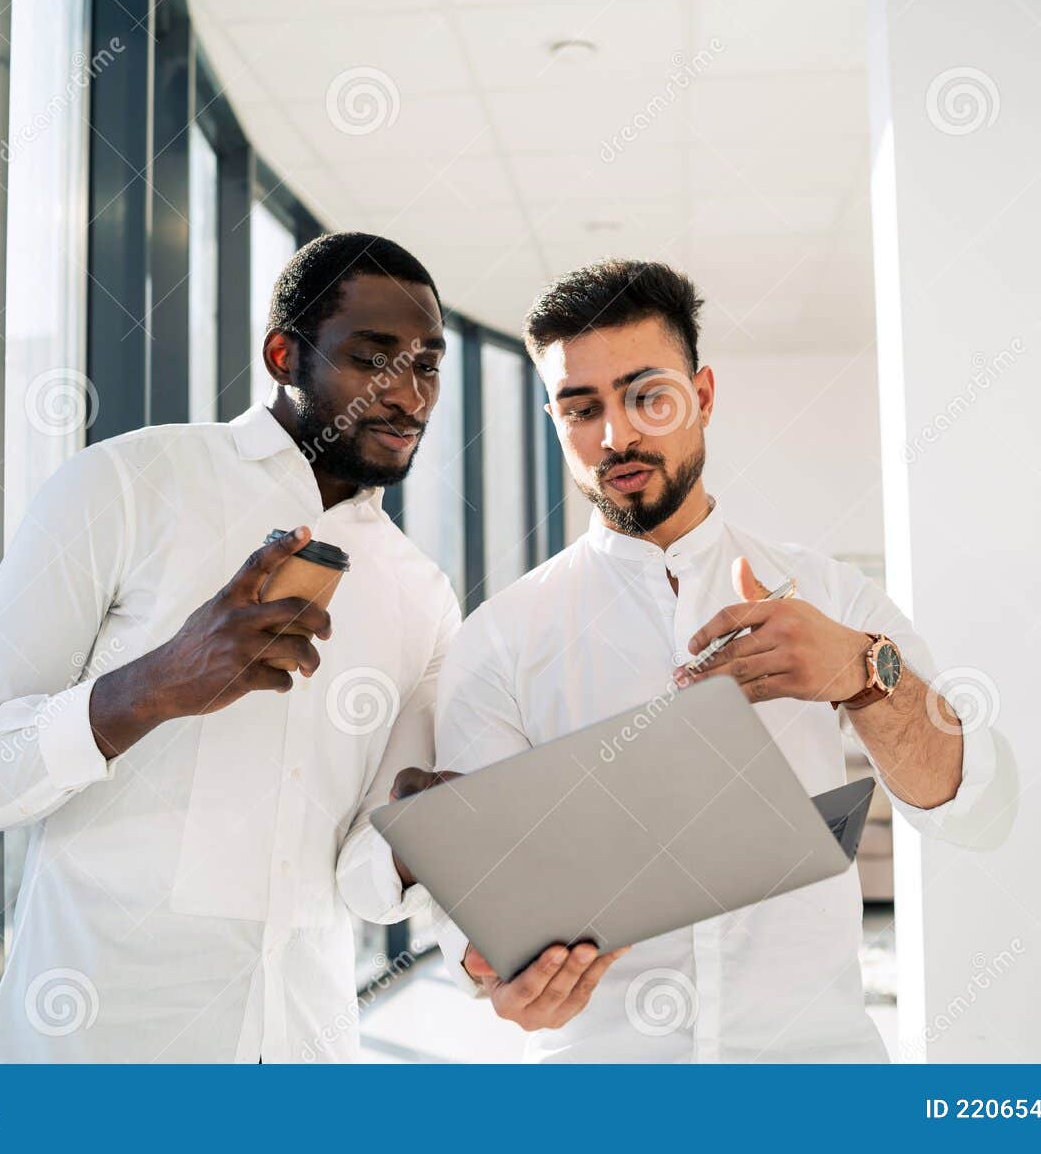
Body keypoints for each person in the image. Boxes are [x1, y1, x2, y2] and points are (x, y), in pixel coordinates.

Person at [412, 259, 1003, 1062]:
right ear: (556, 420)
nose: (616, 434)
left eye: (646, 394)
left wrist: (864, 672)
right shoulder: (498, 641)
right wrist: (500, 982)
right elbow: (483, 908)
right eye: (581, 408)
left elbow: (973, 806)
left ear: (705, 396)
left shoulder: (830, 594)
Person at [0, 233, 459, 1062]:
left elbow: (362, 878)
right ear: (284, 353)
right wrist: (152, 687)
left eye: (427, 364)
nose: (406, 393)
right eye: (373, 356)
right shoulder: (126, 486)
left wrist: (430, 834)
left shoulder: (423, 592)